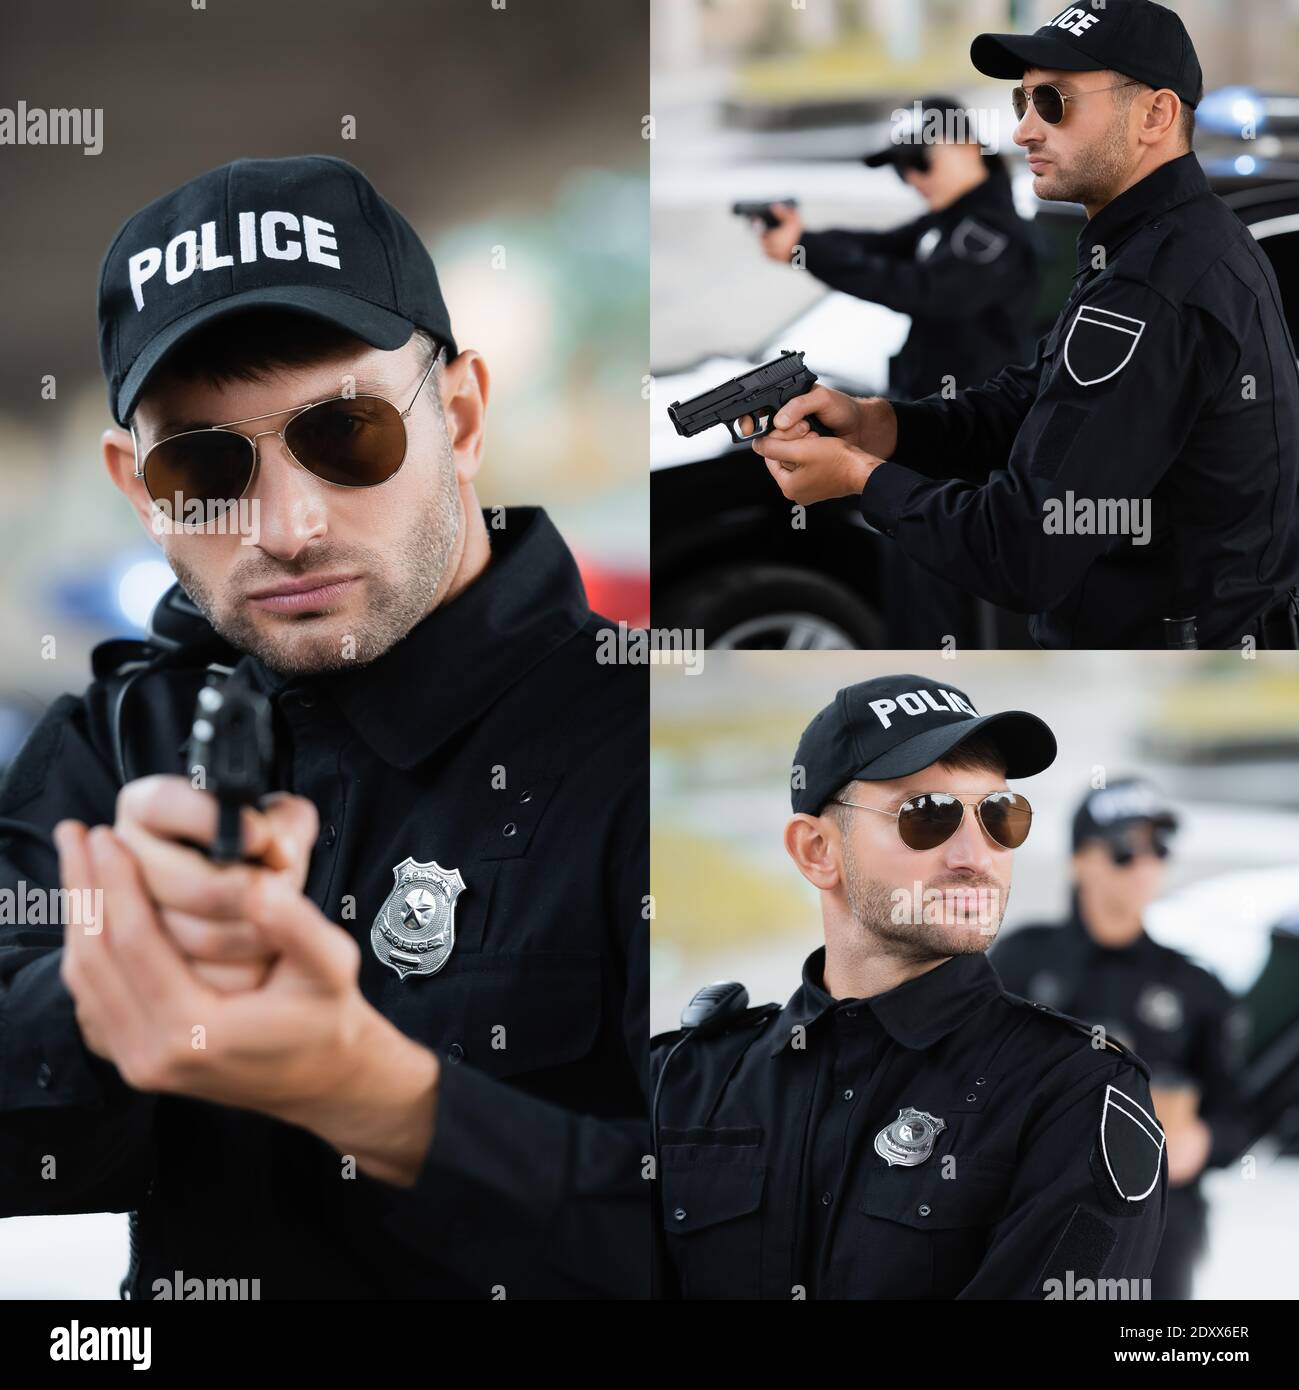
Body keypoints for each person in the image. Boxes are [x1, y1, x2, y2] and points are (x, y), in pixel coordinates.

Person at [0, 155, 649, 1299]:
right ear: (140, 489)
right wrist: (117, 981)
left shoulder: (644, 739)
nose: (290, 526)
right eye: (204, 466)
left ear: (459, 415)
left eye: (347, 435)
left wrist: (386, 1102)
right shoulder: (116, 745)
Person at [748, 0, 1299, 650]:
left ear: (1155, 114)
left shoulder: (1154, 281)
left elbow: (1026, 550)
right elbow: (1033, 401)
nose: (1024, 131)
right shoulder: (1159, 243)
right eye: (1020, 103)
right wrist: (879, 425)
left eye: (1053, 102)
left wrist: (857, 476)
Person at [652, 674, 1168, 1299]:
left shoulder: (1076, 1090)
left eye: (1000, 815)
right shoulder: (679, 1081)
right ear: (817, 850)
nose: (975, 856)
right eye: (928, 814)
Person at [754, 96, 1039, 648]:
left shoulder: (992, 233)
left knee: (935, 611)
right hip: (920, 438)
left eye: (919, 162)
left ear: (961, 146)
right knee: (910, 593)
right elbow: (878, 247)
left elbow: (921, 290)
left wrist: (806, 248)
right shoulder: (951, 222)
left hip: (965, 456)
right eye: (901, 168)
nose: (911, 178)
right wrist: (801, 240)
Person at [991, 779, 1255, 1299]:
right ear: (1078, 862)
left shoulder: (1194, 985)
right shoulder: (1019, 963)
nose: (1144, 865)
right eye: (1123, 850)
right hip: (1034, 1215)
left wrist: (1202, 1143)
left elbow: (1237, 1113)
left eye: (1157, 848)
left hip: (1158, 1225)